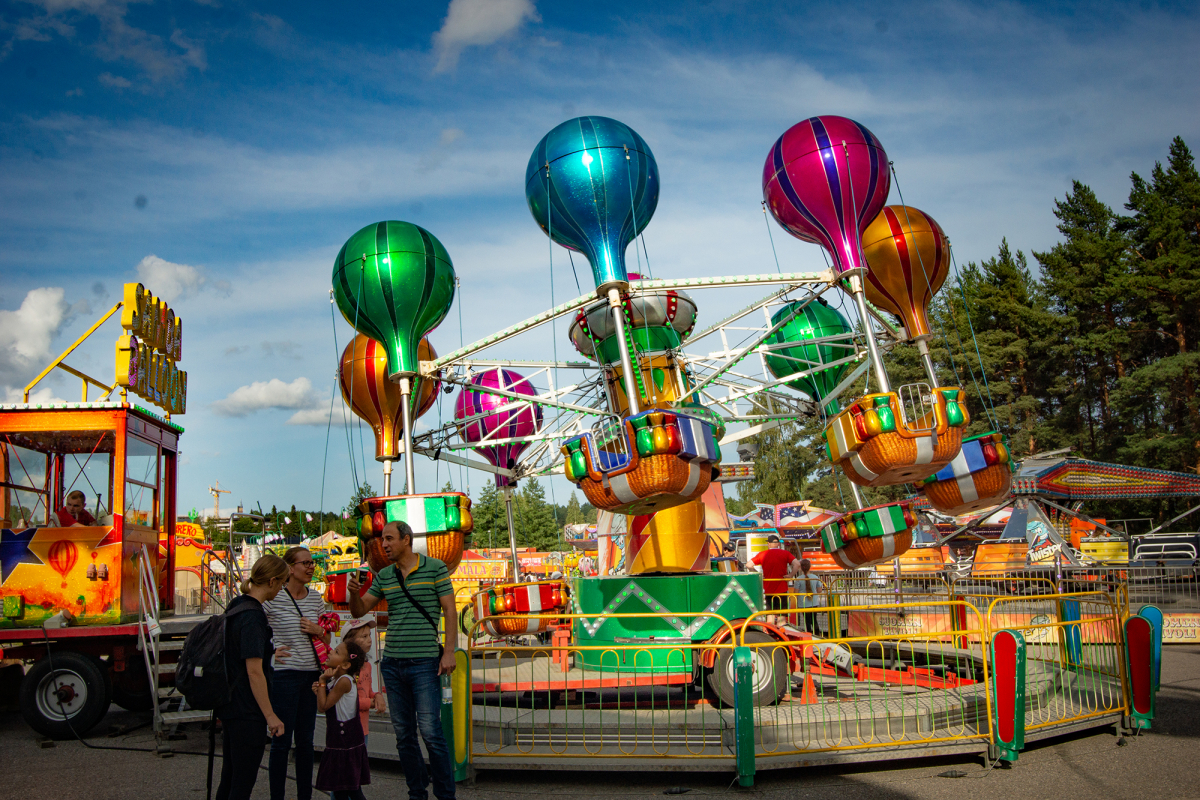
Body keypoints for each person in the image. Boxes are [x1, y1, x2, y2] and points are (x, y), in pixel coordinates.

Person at [348, 522, 457, 800]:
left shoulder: (435, 568)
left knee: (431, 733)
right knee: (404, 736)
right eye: (382, 539)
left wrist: (449, 652)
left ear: (406, 540)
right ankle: (416, 793)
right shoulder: (384, 574)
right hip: (393, 663)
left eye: (388, 538)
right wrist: (353, 592)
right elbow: (361, 609)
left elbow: (450, 610)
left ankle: (445, 794)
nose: (383, 544)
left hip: (424, 661)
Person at [216, 554, 288, 800]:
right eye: (282, 583)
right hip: (248, 710)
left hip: (230, 704)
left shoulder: (237, 604)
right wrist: (270, 716)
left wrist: (270, 651)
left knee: (230, 776)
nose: (282, 589)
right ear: (271, 581)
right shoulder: (254, 616)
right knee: (242, 783)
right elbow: (254, 670)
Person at [263, 546, 329, 800]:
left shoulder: (316, 599)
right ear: (290, 568)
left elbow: (328, 634)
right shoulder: (273, 597)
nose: (311, 567)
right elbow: (256, 630)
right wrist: (270, 652)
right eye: (305, 563)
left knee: (306, 742)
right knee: (281, 741)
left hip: (312, 675)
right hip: (285, 675)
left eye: (312, 563)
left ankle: (305, 796)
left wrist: (317, 629)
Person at [313, 640, 371, 800]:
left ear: (345, 665)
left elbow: (323, 706)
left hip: (345, 742)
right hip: (339, 741)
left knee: (350, 789)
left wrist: (322, 682)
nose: (331, 652)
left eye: (337, 652)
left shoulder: (344, 681)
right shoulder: (338, 680)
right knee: (341, 789)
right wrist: (320, 688)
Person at [342, 616, 386, 747]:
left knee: (361, 762)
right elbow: (347, 699)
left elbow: (367, 690)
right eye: (364, 636)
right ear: (350, 641)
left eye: (369, 636)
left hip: (363, 727)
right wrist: (371, 703)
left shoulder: (367, 666)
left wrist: (377, 696)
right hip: (348, 726)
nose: (370, 640)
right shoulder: (346, 668)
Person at [751, 534, 800, 625]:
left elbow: (748, 565)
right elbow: (797, 564)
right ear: (778, 544)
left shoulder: (763, 554)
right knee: (781, 618)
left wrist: (759, 575)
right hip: (782, 589)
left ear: (768, 544)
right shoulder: (785, 553)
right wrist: (790, 575)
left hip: (769, 589)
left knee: (770, 616)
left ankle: (770, 635)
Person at [793, 559, 824, 635]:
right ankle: (817, 634)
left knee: (807, 621)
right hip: (814, 602)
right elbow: (819, 590)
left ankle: (809, 635)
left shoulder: (798, 579)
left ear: (801, 568)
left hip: (803, 603)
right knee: (814, 619)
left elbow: (796, 592)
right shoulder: (815, 577)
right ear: (810, 567)